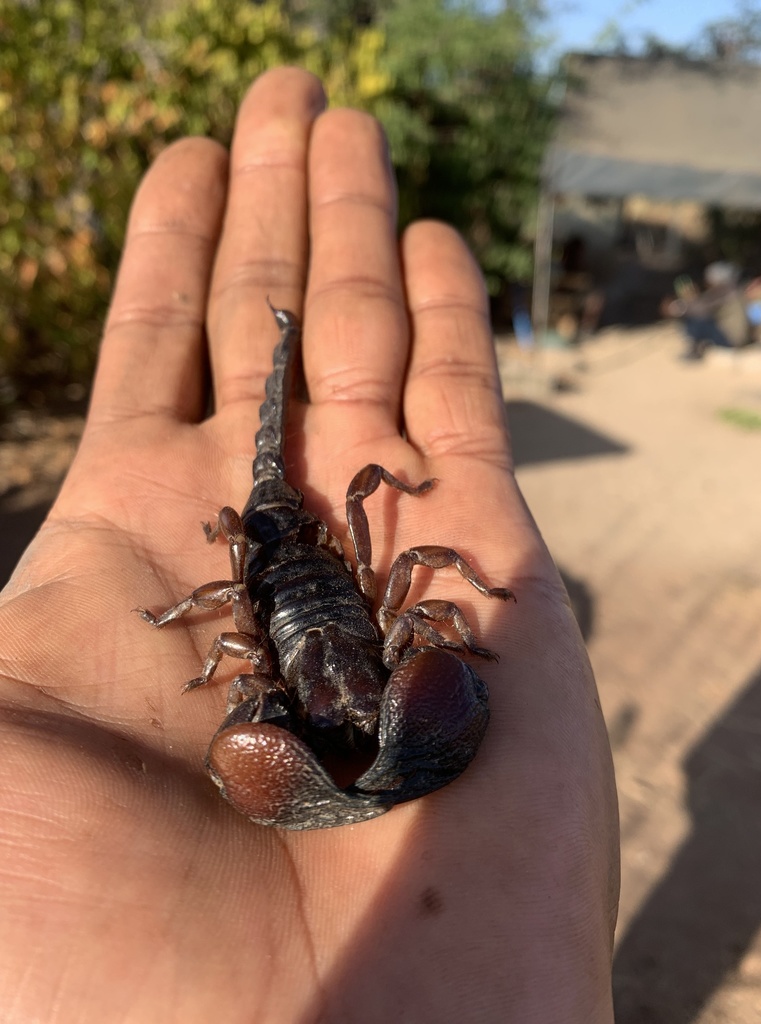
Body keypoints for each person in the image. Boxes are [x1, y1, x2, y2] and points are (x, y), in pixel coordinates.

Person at [0, 68, 618, 1022]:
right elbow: (238, 650)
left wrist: (454, 593)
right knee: (247, 640)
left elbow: (432, 596)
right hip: (281, 580)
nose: (352, 735)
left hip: (321, 583)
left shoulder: (378, 643)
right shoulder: (270, 662)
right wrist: (182, 621)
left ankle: (285, 342)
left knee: (421, 592)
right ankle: (278, 345)